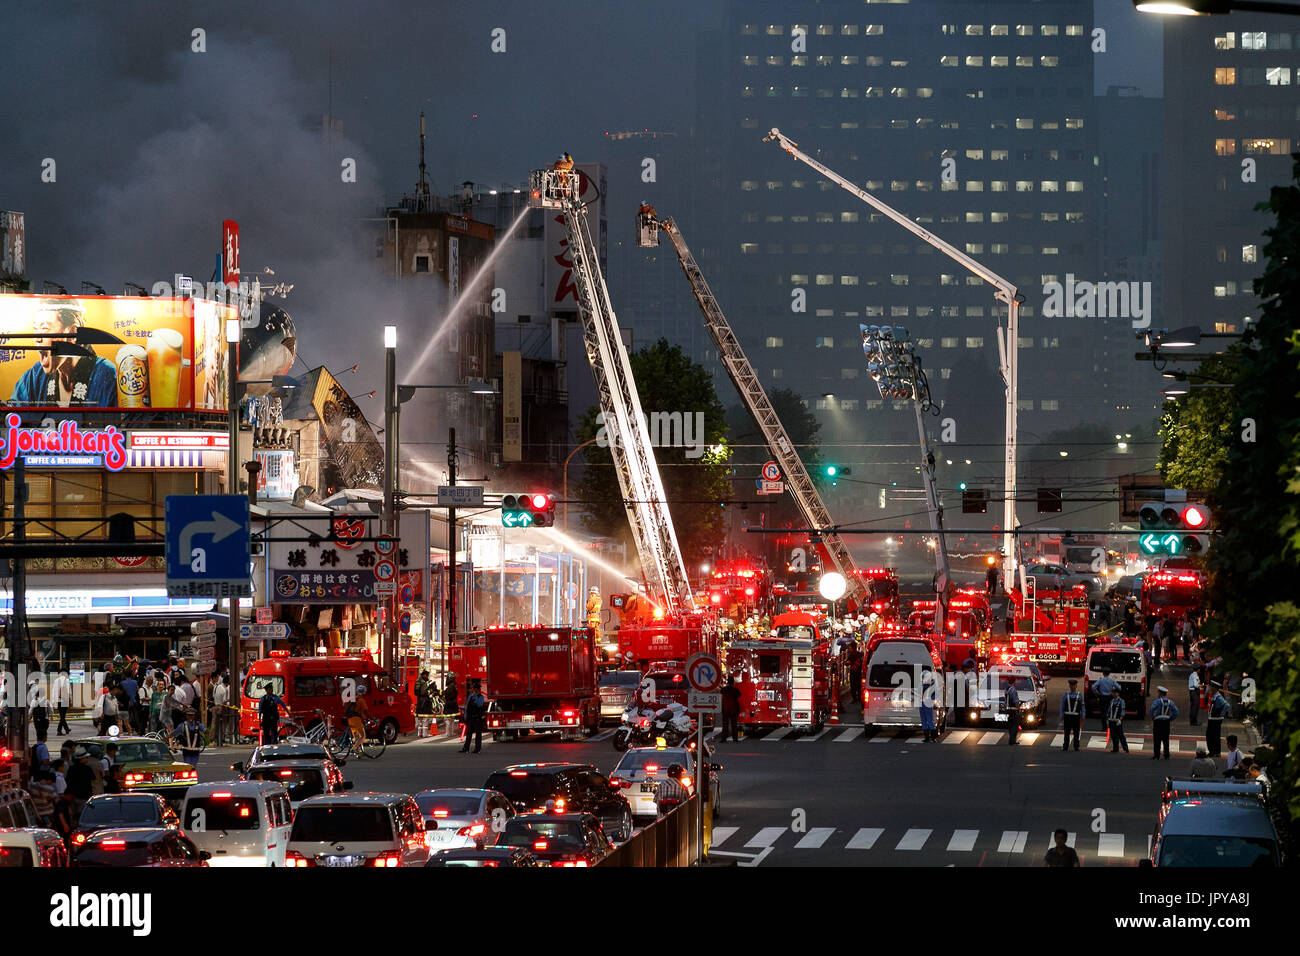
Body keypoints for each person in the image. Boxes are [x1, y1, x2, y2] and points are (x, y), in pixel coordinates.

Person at [8, 299, 118, 406]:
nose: (37, 339)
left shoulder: (105, 374)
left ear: (72, 334)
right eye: (35, 329)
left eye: (45, 328)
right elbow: (13, 411)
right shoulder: (34, 377)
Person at [1149, 686, 1178, 760]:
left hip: (1158, 721)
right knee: (1165, 739)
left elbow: (1151, 709)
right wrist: (1171, 718)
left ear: (1160, 693)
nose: (1157, 694)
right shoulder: (1170, 702)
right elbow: (1176, 712)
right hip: (1166, 722)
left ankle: (1157, 754)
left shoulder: (1157, 701)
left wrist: (1153, 717)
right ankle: (1166, 754)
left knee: (1157, 739)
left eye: (1158, 692)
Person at [460, 680, 486, 754]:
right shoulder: (470, 696)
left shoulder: (480, 697)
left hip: (477, 717)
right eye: (473, 688)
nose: (474, 690)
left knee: (478, 734)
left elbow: (480, 705)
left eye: (475, 688)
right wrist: (465, 715)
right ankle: (466, 748)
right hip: (471, 717)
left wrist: (475, 699)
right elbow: (467, 706)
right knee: (469, 733)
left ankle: (477, 749)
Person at [1206, 681, 1229, 757]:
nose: (1210, 688)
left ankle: (1213, 751)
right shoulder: (1215, 695)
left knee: (1211, 736)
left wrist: (1221, 714)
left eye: (1211, 686)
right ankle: (1216, 752)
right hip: (1213, 718)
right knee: (1215, 735)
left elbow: (1226, 705)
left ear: (1215, 688)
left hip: (1215, 719)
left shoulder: (1218, 697)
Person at [1060, 677, 1083, 752]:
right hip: (1067, 715)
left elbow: (1082, 705)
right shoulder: (1066, 695)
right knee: (1067, 731)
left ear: (1076, 686)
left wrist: (1083, 713)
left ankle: (1076, 746)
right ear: (1069, 686)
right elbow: (1062, 705)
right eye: (1071, 685)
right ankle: (1065, 746)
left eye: (1074, 685)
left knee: (1076, 732)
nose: (1072, 687)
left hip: (1076, 716)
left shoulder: (1079, 695)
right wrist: (1061, 714)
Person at [719, 675, 741, 743]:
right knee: (734, 724)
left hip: (725, 709)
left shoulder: (724, 689)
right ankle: (735, 738)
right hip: (734, 709)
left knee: (725, 724)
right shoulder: (735, 690)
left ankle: (724, 738)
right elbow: (739, 695)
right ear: (733, 682)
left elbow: (721, 691)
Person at [1107, 686, 1129, 754]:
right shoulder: (1112, 701)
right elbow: (1109, 710)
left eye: (1115, 693)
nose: (1114, 694)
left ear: (1118, 693)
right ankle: (1115, 748)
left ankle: (1125, 748)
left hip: (1117, 721)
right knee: (1113, 735)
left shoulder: (1121, 701)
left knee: (1120, 735)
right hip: (1111, 720)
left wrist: (1120, 719)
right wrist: (1107, 719)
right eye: (1113, 693)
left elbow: (1122, 711)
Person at [919, 668, 938, 742]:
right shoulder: (921, 683)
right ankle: (927, 737)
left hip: (928, 703)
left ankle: (933, 738)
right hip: (921, 703)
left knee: (929, 719)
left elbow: (935, 695)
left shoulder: (932, 684)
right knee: (923, 720)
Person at [211, 674, 230, 747]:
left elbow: (213, 696)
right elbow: (225, 701)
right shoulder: (224, 689)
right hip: (221, 707)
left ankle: (212, 738)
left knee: (214, 723)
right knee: (223, 723)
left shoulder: (216, 686)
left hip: (215, 706)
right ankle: (221, 738)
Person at [53, 670, 71, 735]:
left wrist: (54, 701)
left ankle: (66, 729)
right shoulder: (67, 681)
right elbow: (69, 692)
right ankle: (59, 730)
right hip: (65, 700)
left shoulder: (56, 681)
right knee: (63, 716)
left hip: (58, 701)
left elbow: (54, 692)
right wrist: (70, 699)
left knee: (62, 716)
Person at [1004, 676, 1021, 745]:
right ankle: (1012, 740)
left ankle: (1011, 739)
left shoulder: (1006, 689)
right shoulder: (1013, 689)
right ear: (1014, 681)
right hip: (1013, 710)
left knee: (1010, 726)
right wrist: (1019, 709)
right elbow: (1015, 701)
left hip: (1008, 709)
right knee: (1015, 725)